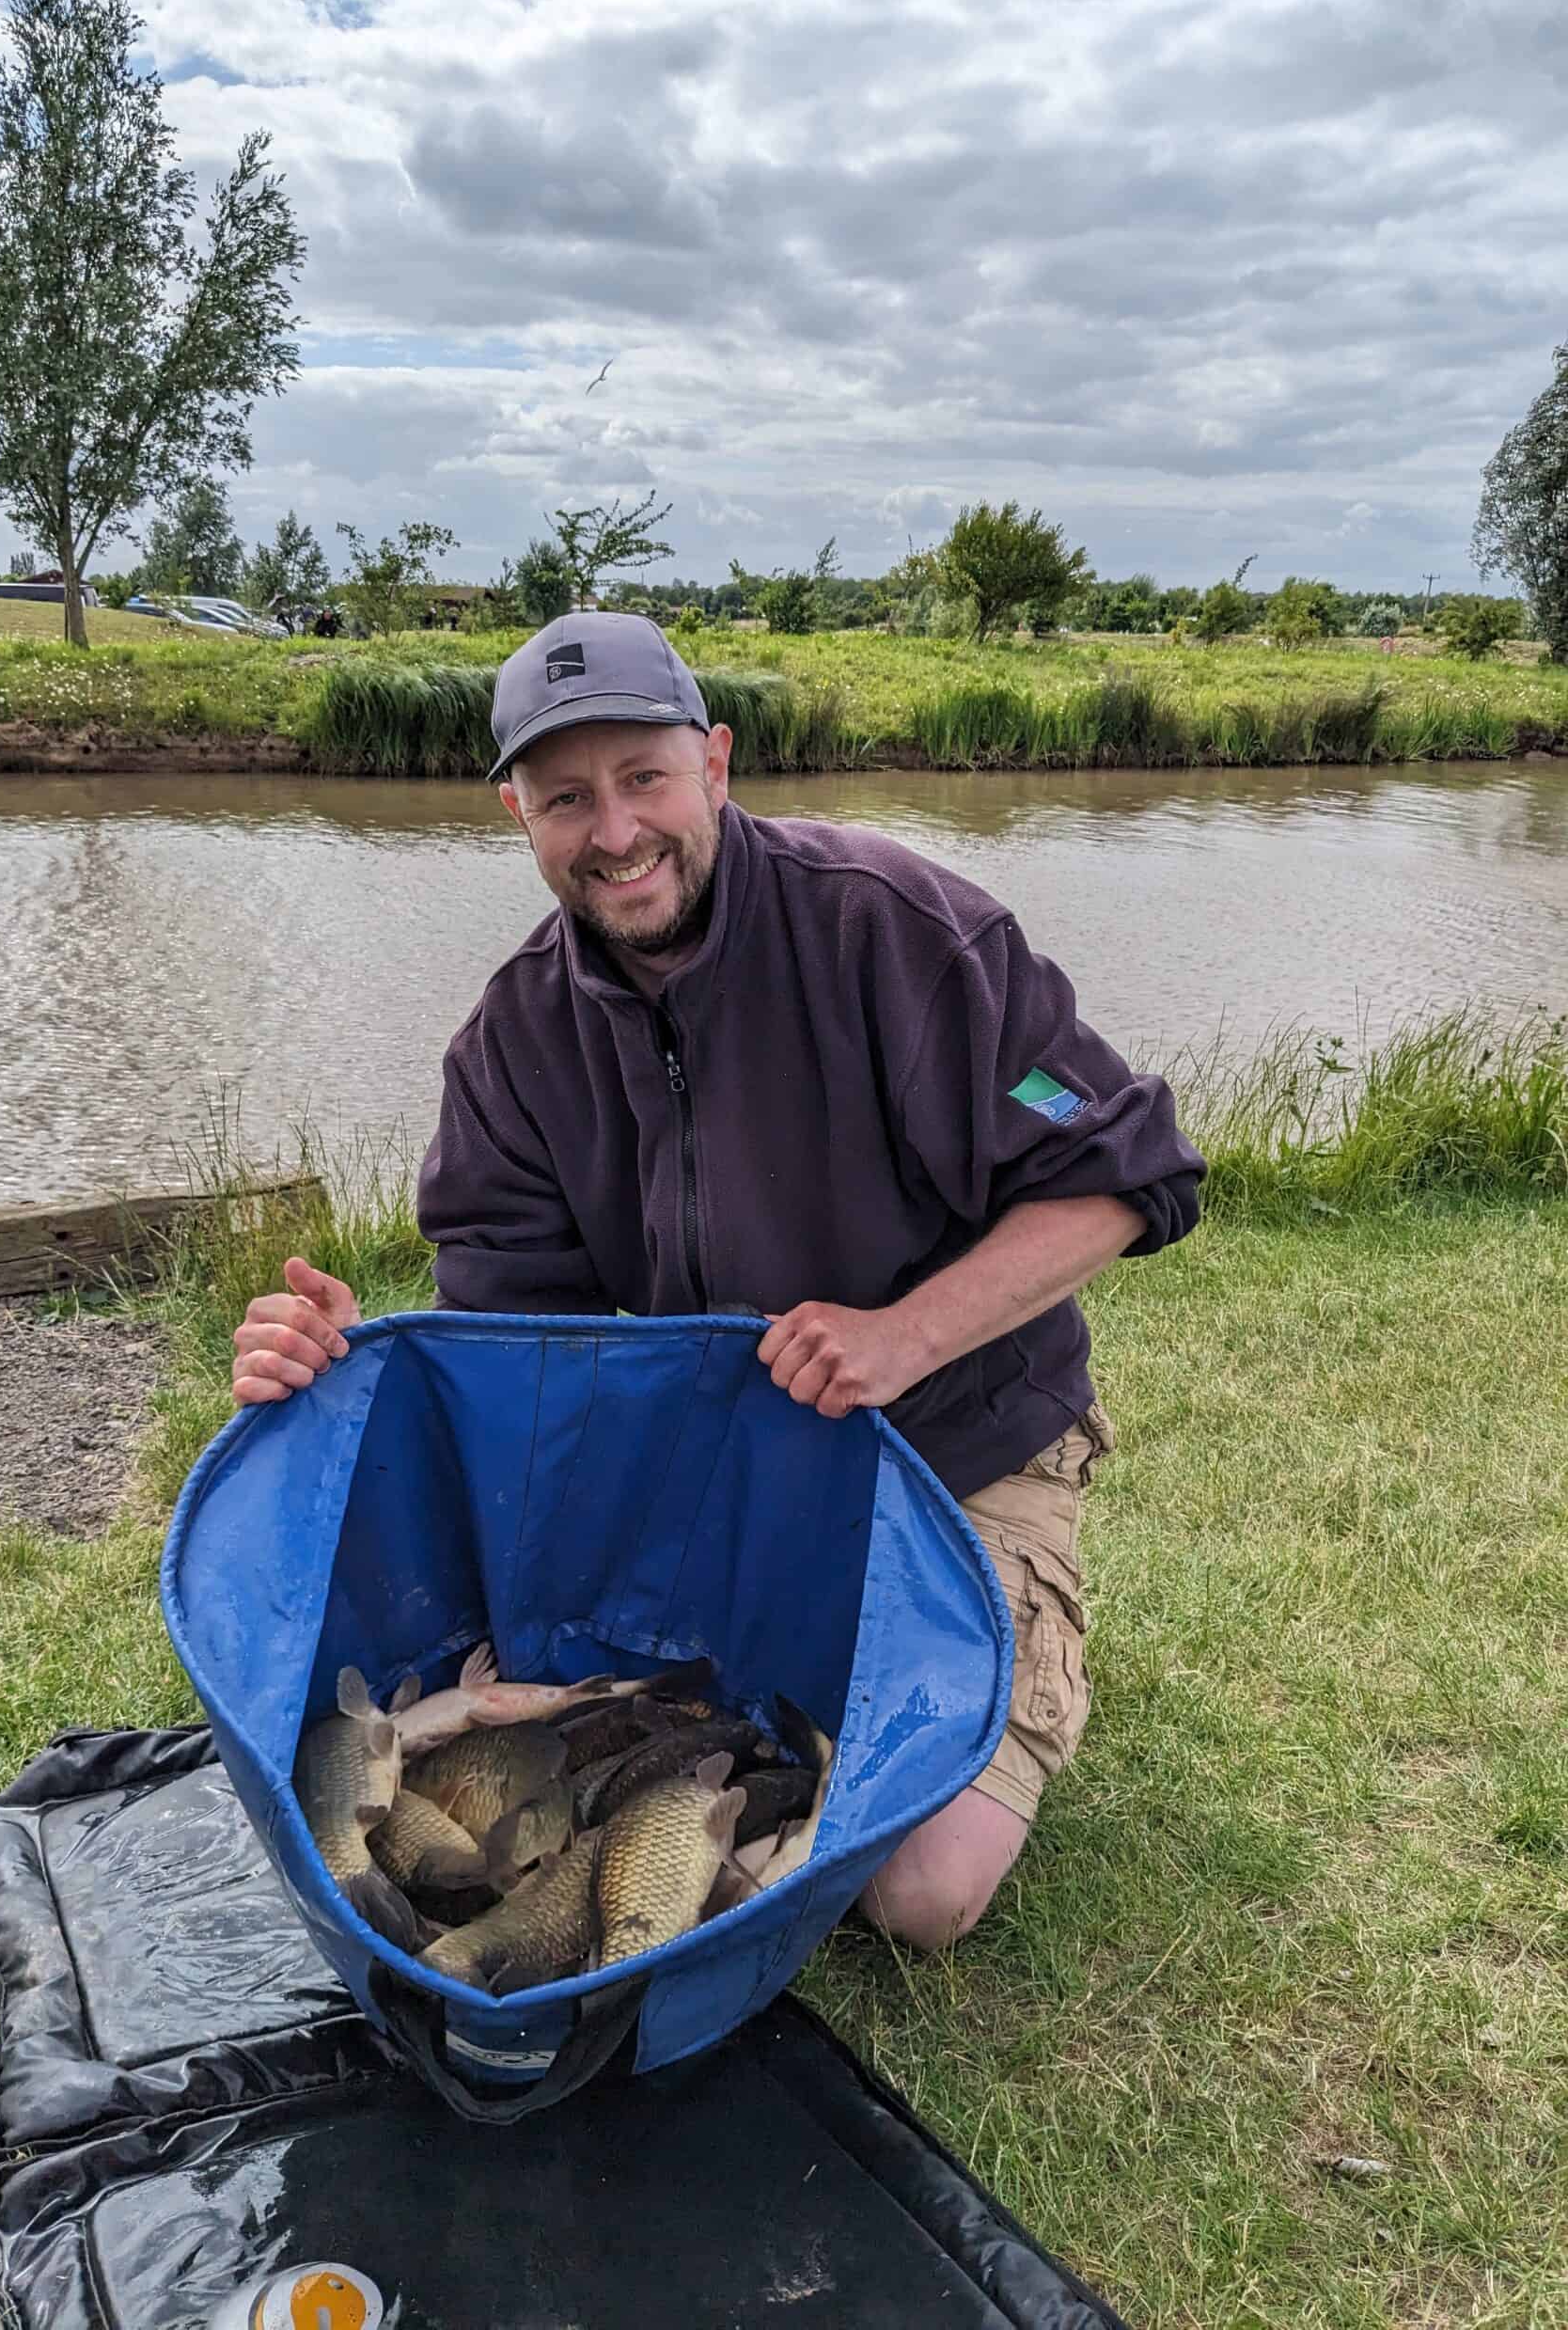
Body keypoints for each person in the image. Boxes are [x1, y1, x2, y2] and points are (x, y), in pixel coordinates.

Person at [230, 613, 1205, 1949]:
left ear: (718, 766)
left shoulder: (897, 930)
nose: (615, 831)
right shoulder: (514, 1041)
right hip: (717, 1470)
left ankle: (1021, 1637)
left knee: (920, 1897)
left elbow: (1129, 1174)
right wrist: (354, 1356)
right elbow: (517, 1351)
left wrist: (903, 1339)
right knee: (524, 1736)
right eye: (567, 798)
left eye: (645, 778)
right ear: (517, 813)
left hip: (954, 1445)